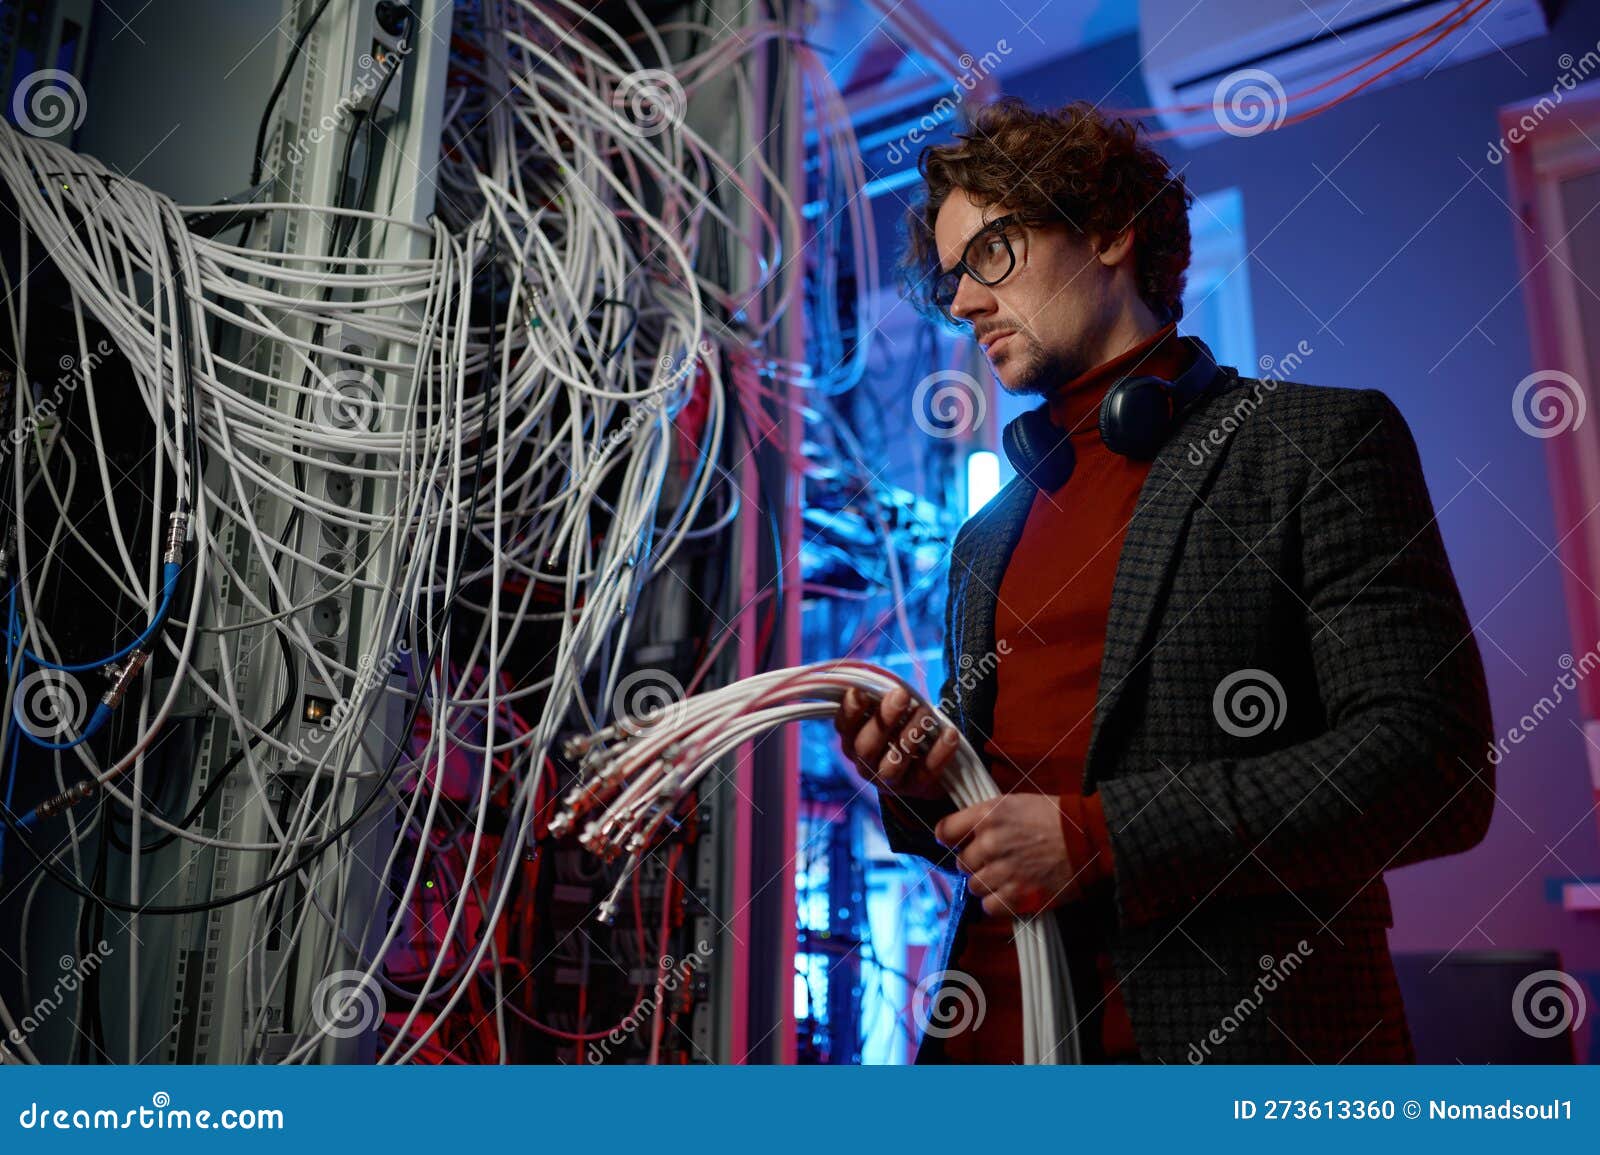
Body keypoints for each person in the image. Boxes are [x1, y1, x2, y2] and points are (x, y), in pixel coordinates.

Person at [835, 98, 1495, 1064]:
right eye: (950, 281)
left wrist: (1102, 840)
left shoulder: (1313, 444)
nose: (965, 304)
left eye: (991, 255)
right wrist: (916, 781)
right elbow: (999, 829)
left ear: (1108, 229)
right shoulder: (986, 538)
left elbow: (1433, 769)